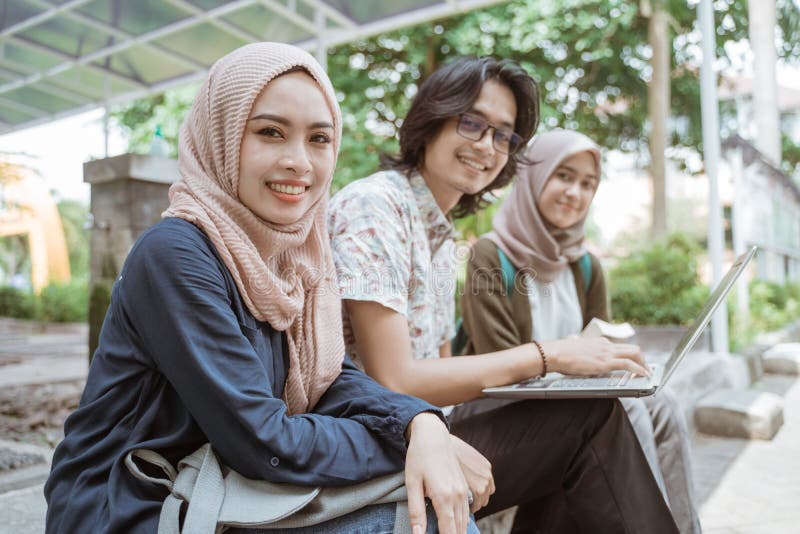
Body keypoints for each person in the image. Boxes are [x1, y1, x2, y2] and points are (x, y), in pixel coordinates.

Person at [44, 42, 477, 534]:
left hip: (226, 492)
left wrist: (419, 423)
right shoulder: (177, 253)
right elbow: (264, 442)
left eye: (319, 138)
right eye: (270, 132)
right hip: (133, 506)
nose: (300, 162)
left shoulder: (295, 257)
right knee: (431, 521)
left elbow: (328, 378)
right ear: (222, 136)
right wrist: (409, 444)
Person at [328, 56, 678, 532]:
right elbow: (395, 378)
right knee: (590, 420)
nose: (486, 146)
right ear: (431, 119)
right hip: (385, 438)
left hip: (433, 423)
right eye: (471, 123)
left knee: (597, 412)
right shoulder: (377, 207)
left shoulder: (439, 232)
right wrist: (549, 357)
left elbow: (442, 360)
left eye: (502, 135)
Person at [460, 128, 701, 533]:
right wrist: (570, 360)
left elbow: (602, 344)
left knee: (666, 406)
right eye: (564, 176)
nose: (576, 192)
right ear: (534, 177)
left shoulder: (585, 265)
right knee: (631, 412)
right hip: (500, 404)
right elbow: (498, 365)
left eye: (588, 184)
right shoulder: (490, 255)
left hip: (571, 397)